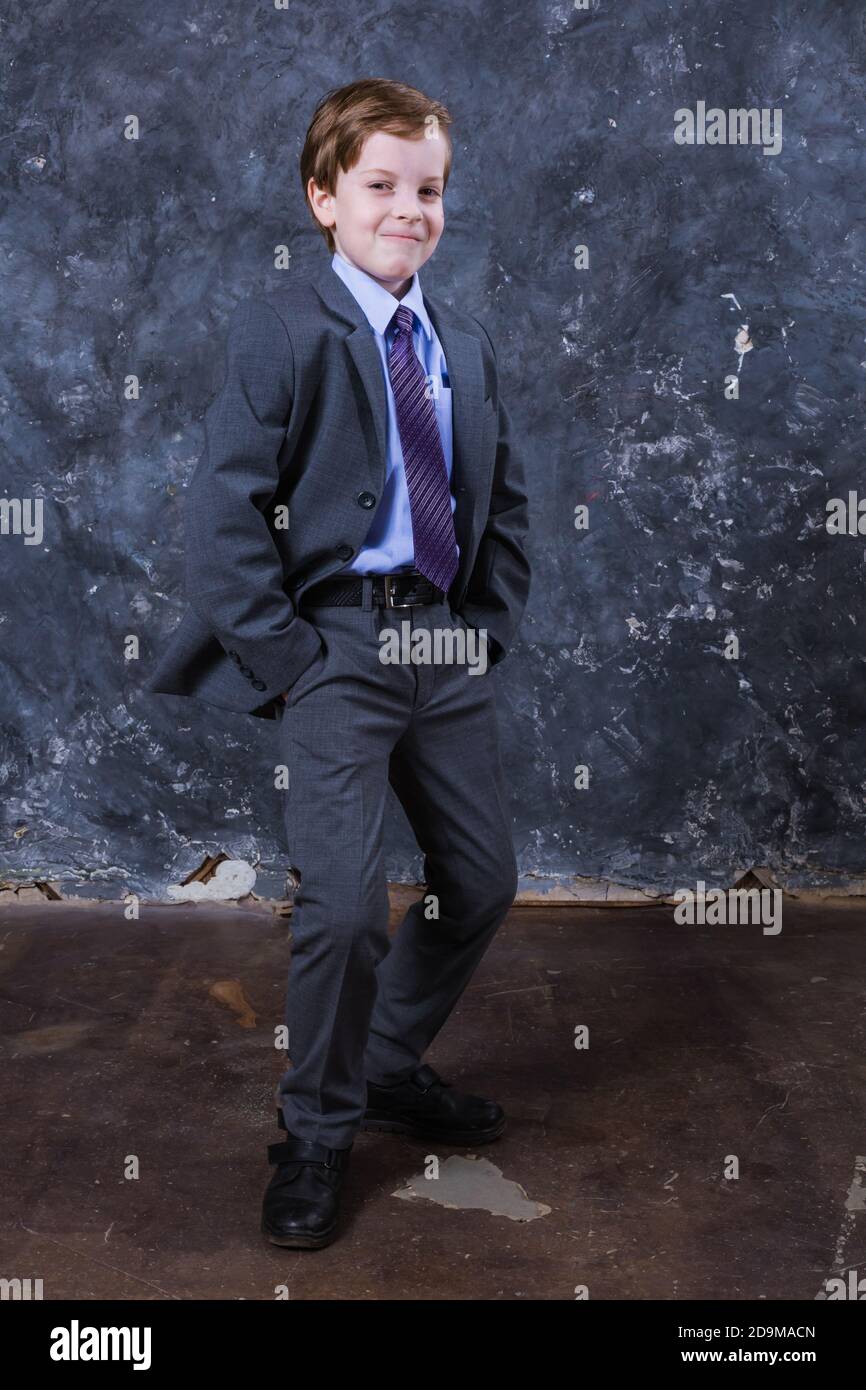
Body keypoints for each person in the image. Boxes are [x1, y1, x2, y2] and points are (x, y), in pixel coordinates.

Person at [145, 77, 531, 1249]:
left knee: (481, 879)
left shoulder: (458, 335)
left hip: (441, 641)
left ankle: (379, 1059)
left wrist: (487, 627)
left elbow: (498, 498)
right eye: (379, 187)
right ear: (325, 198)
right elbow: (222, 514)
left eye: (429, 190)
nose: (407, 210)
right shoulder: (285, 326)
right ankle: (315, 1129)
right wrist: (294, 660)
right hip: (338, 644)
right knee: (348, 910)